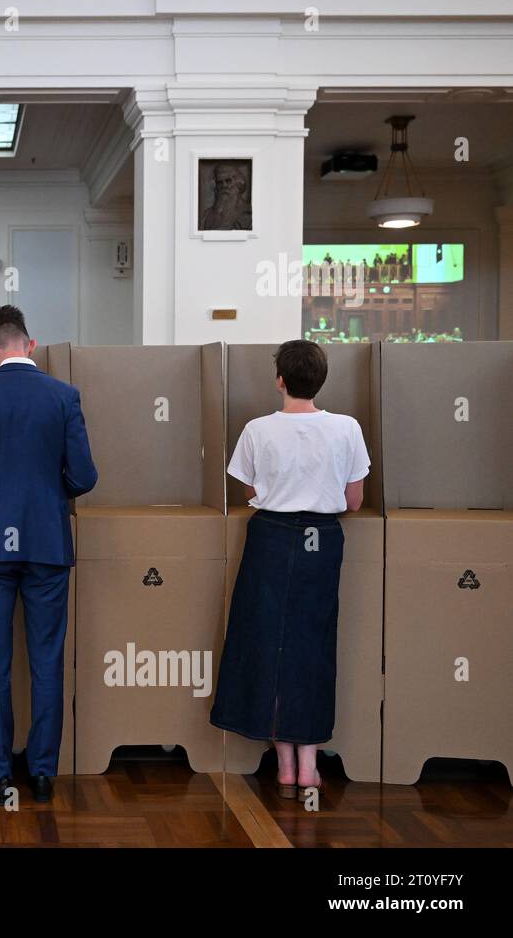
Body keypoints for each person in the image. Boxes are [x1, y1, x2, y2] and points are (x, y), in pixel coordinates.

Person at [0, 306, 97, 804]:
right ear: (30, 345)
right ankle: (42, 772)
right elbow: (85, 477)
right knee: (47, 659)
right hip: (47, 542)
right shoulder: (64, 396)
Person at [210, 340, 370, 798]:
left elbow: (247, 491)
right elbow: (354, 501)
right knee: (314, 646)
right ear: (321, 380)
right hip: (323, 541)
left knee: (266, 642)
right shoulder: (347, 429)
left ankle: (281, 760)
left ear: (280, 380)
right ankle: (308, 764)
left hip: (270, 539)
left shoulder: (258, 429)